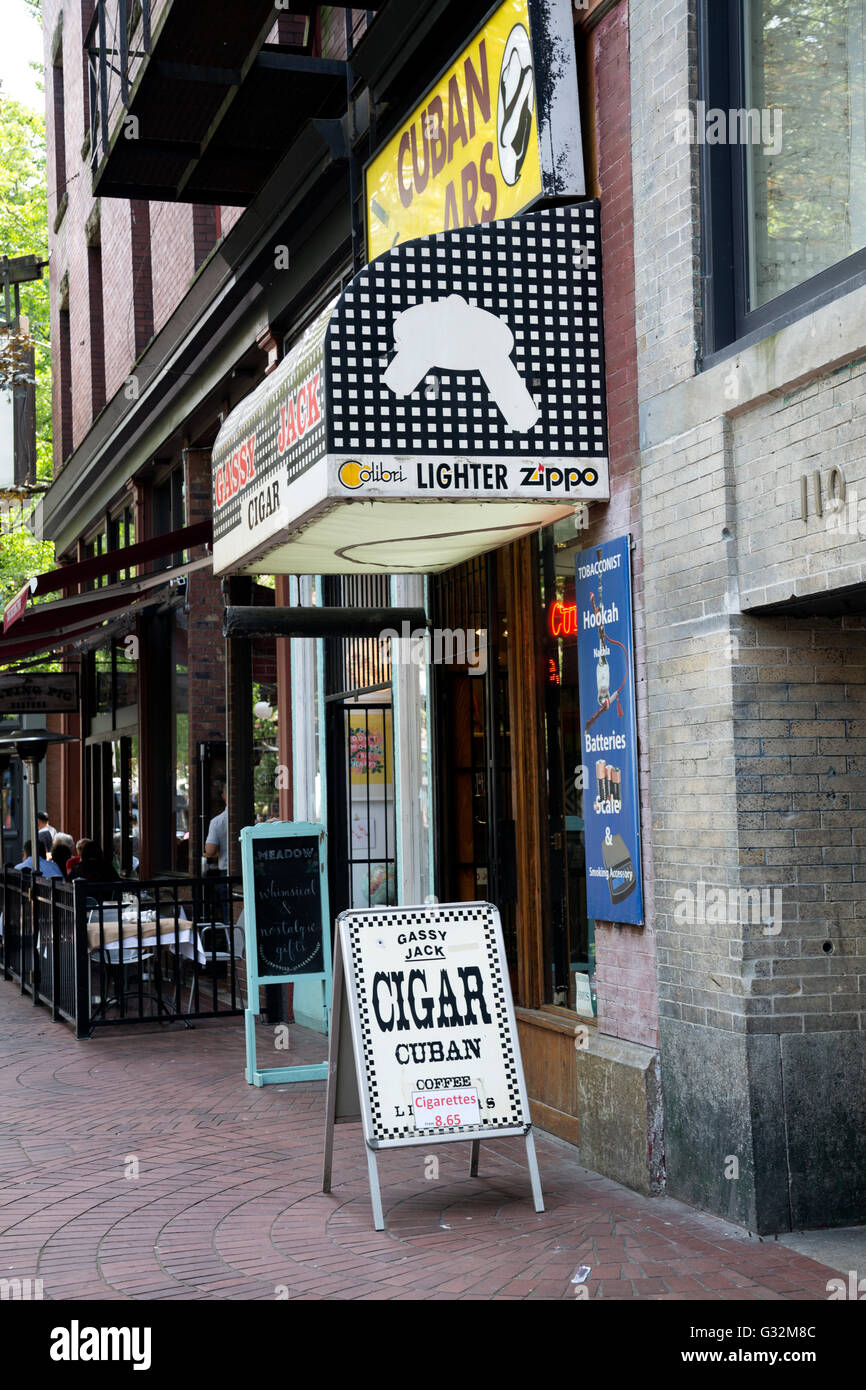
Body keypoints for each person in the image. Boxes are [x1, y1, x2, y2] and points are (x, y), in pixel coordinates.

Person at [204, 785, 228, 872]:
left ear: (223, 797)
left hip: (226, 869)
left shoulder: (217, 822)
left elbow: (210, 851)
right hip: (251, 869)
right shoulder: (251, 819)